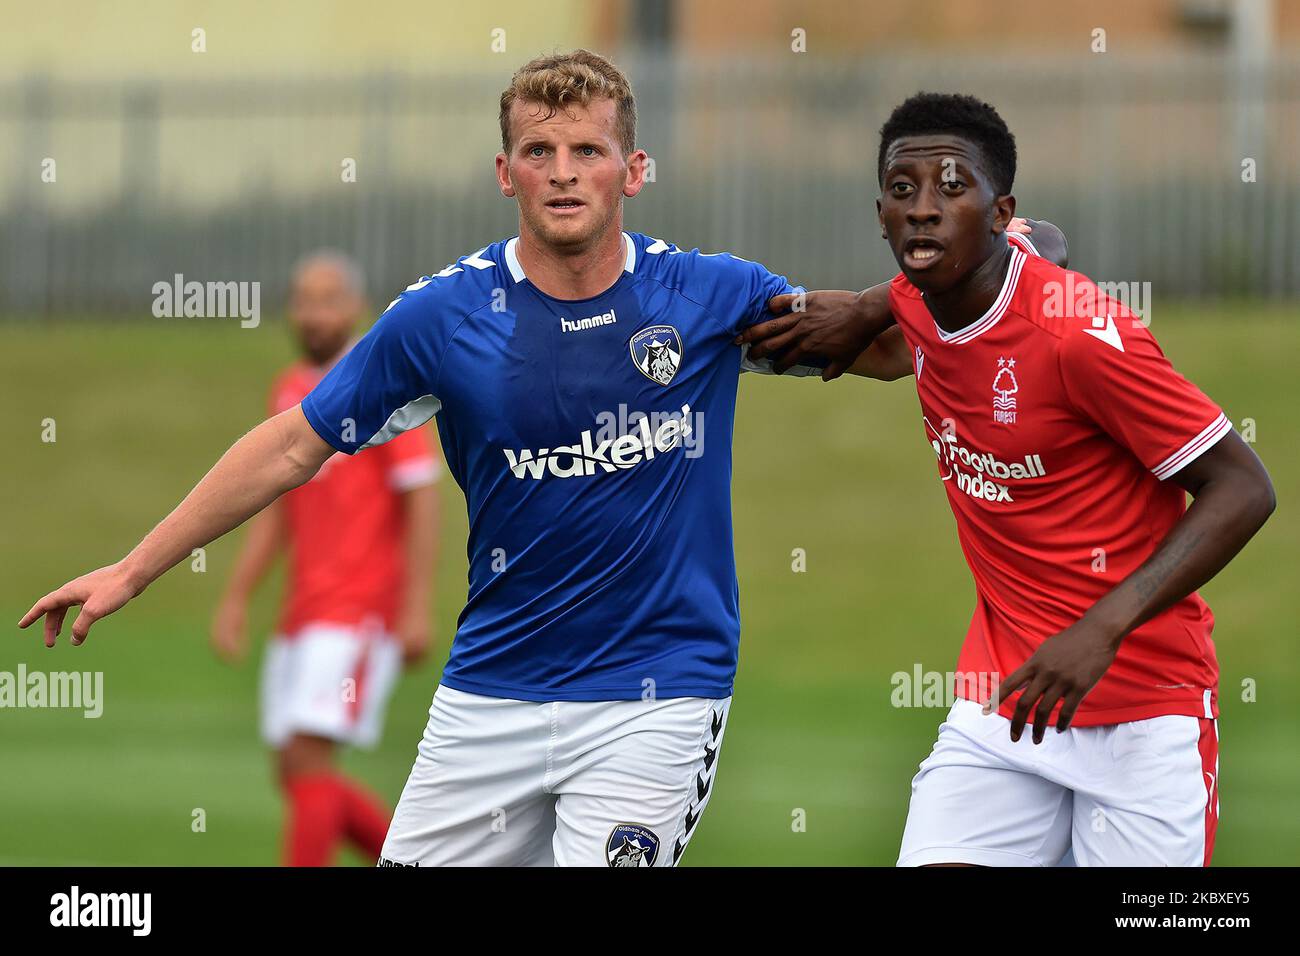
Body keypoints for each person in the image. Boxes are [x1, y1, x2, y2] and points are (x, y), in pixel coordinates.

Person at [739, 92, 1275, 866]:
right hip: (1004, 701)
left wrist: (1100, 628)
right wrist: (862, 306)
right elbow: (1026, 248)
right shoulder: (921, 304)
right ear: (880, 212)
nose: (923, 211)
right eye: (902, 190)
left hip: (1143, 709)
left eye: (952, 189)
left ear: (998, 212)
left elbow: (1244, 487)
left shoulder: (1080, 336)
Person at [210, 250, 441, 866]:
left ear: (356, 308)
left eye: (328, 299)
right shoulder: (289, 390)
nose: (314, 314)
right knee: (295, 769)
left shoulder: (382, 384)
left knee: (309, 761)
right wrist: (237, 595)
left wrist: (415, 607)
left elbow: (421, 497)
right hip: (303, 611)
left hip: (359, 609)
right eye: (304, 300)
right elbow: (276, 507)